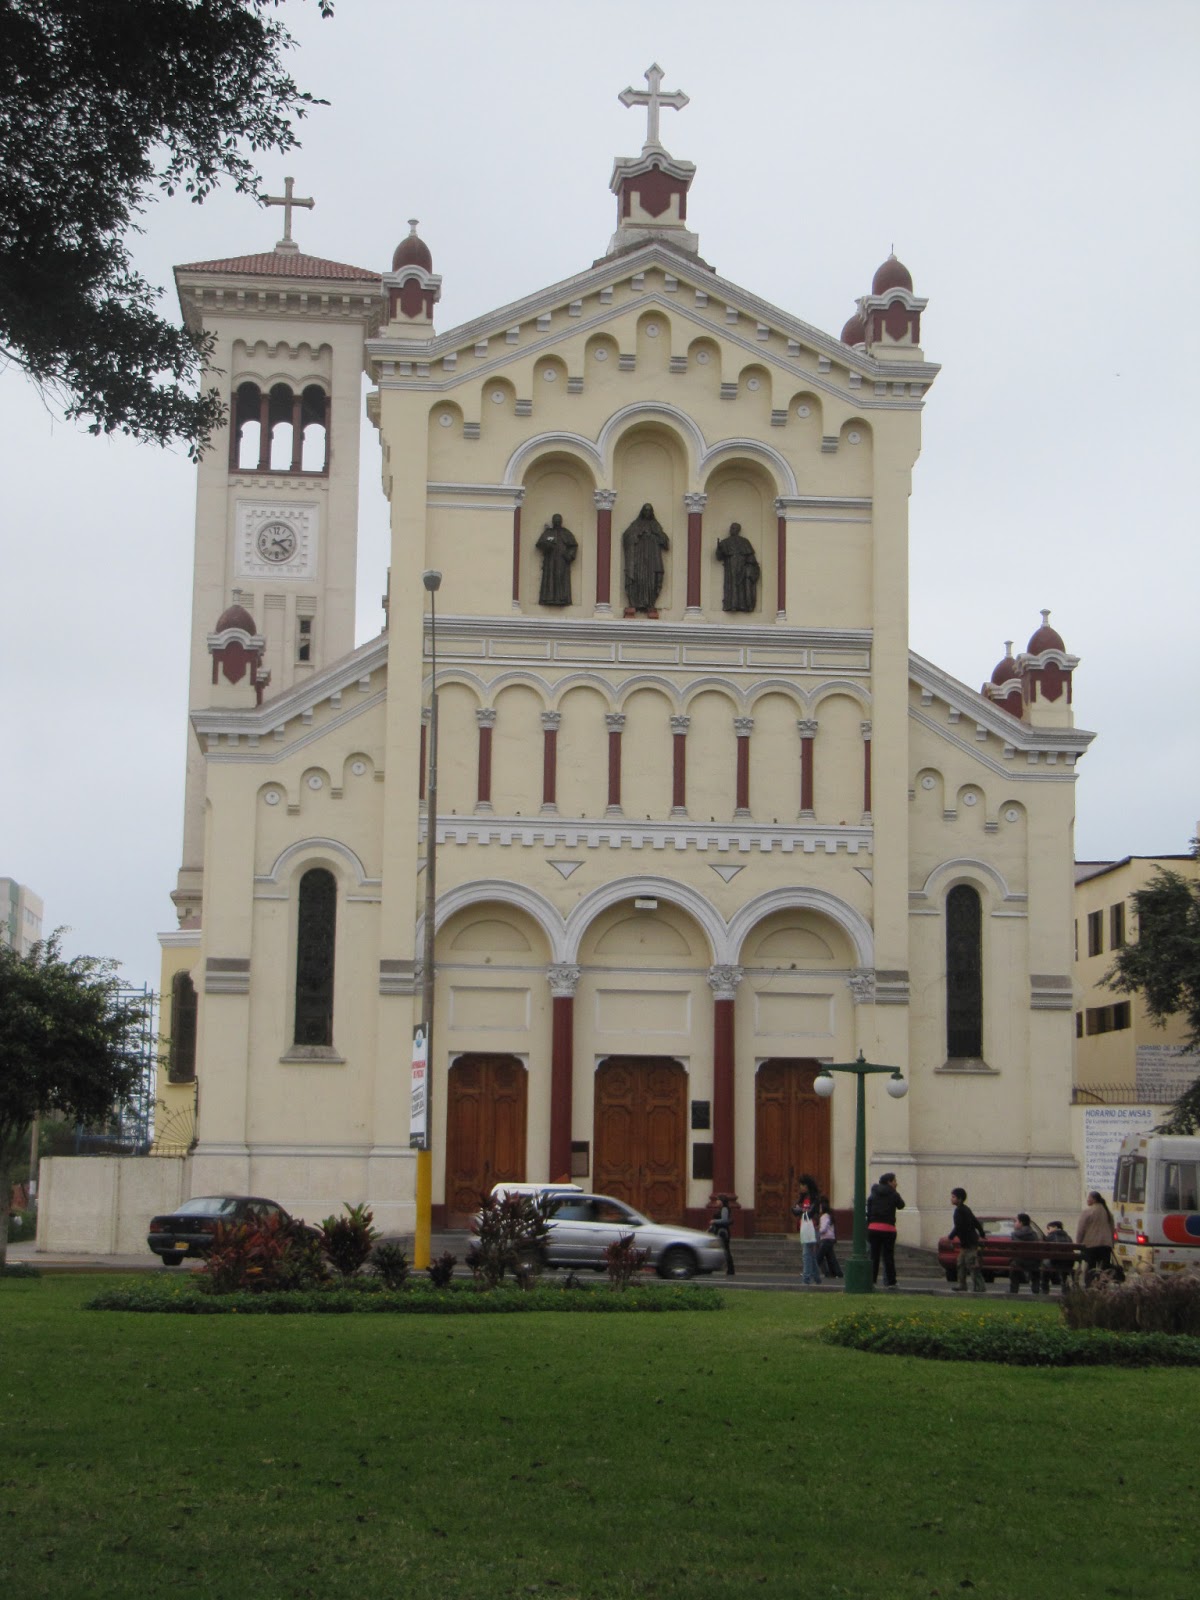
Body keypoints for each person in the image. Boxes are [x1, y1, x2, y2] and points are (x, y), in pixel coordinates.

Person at [621, 503, 669, 615]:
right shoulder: (636, 525)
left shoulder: (655, 525)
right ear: (642, 512)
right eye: (645, 510)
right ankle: (635, 602)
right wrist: (639, 534)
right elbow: (627, 536)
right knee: (638, 578)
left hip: (652, 560)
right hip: (638, 559)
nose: (647, 512)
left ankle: (650, 603)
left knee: (651, 581)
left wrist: (653, 536)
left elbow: (665, 541)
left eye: (649, 510)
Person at [866, 1172, 905, 1289]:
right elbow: (901, 1205)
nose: (896, 1183)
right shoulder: (893, 1193)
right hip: (888, 1228)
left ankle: (871, 1281)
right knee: (888, 1256)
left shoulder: (873, 1193)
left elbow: (869, 1208)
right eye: (894, 1181)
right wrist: (895, 1192)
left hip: (873, 1227)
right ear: (889, 1182)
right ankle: (891, 1281)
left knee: (874, 1256)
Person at [948, 1186, 986, 1294]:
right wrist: (981, 1232)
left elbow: (959, 1227)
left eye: (953, 1197)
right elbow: (976, 1222)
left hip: (970, 1243)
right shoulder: (965, 1209)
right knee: (960, 1263)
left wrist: (950, 1237)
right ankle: (962, 1284)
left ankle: (979, 1286)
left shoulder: (960, 1211)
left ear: (959, 1199)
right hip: (966, 1244)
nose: (951, 1199)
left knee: (972, 1265)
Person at [715, 522, 760, 612]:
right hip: (730, 567)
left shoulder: (744, 542)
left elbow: (751, 558)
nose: (732, 530)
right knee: (731, 585)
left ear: (738, 530)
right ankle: (731, 605)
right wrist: (719, 549)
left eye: (734, 528)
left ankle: (743, 605)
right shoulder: (725, 542)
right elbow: (719, 557)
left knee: (742, 585)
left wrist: (750, 566)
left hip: (742, 567)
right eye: (731, 528)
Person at [535, 513, 578, 606]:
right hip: (550, 560)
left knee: (561, 578)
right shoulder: (548, 532)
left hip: (562, 560)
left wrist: (568, 555)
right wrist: (547, 545)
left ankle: (563, 598)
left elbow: (573, 546)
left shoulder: (566, 533)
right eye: (555, 520)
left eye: (559, 520)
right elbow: (539, 543)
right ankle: (548, 598)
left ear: (561, 521)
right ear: (553, 521)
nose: (557, 521)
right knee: (549, 579)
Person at [1075, 1190, 1115, 1279]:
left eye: (1089, 1198)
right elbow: (1112, 1230)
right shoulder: (1108, 1213)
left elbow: (1081, 1229)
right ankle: (1102, 1285)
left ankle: (1090, 1285)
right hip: (1106, 1245)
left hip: (1091, 1244)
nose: (1087, 1200)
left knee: (1091, 1267)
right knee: (1104, 1268)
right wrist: (1112, 1243)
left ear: (1094, 1199)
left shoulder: (1087, 1212)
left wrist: (1078, 1243)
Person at [1008, 1212, 1041, 1295]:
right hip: (1034, 1262)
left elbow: (1013, 1249)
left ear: (1021, 1223)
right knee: (1036, 1269)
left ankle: (1014, 1290)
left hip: (1020, 1261)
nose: (1015, 1223)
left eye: (1016, 1221)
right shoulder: (1034, 1235)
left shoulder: (1015, 1234)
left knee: (1014, 1266)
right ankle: (1035, 1289)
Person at [1043, 1219, 1074, 1291]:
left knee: (1045, 1264)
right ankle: (1065, 1286)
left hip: (1055, 1262)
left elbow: (1045, 1251)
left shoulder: (1050, 1237)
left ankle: (1045, 1286)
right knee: (1063, 1264)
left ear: (1055, 1227)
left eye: (1049, 1228)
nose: (1048, 1231)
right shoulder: (1068, 1237)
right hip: (1068, 1263)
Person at [817, 1195, 842, 1279]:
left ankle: (811, 1271)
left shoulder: (824, 1216)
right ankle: (836, 1273)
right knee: (831, 1257)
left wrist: (818, 1230)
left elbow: (823, 1229)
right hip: (830, 1238)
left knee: (819, 1256)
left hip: (826, 1239)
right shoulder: (829, 1216)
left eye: (820, 1207)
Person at [710, 1194, 735, 1276]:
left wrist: (714, 1221)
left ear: (721, 1201)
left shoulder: (724, 1209)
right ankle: (729, 1269)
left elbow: (724, 1220)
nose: (716, 1201)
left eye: (718, 1200)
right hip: (720, 1232)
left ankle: (730, 1269)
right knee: (724, 1250)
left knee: (726, 1250)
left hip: (723, 1233)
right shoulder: (722, 1209)